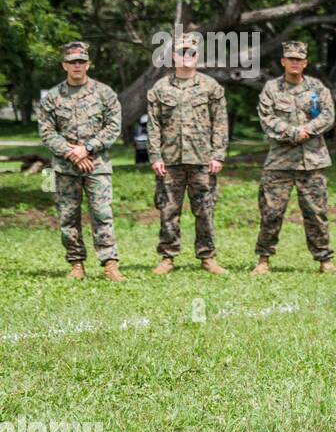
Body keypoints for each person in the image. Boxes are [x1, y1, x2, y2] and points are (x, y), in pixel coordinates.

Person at [36, 41, 125, 282]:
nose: (77, 65)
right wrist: (71, 152)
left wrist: (86, 149)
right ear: (64, 65)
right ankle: (76, 264)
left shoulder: (105, 93)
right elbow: (46, 132)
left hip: (97, 165)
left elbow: (113, 127)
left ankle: (110, 264)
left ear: (88, 64)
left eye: (82, 61)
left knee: (102, 213)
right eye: (73, 62)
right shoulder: (52, 97)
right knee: (67, 216)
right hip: (65, 168)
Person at [146, 31, 229, 275]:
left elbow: (220, 123)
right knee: (168, 210)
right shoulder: (160, 88)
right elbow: (153, 126)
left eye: (191, 52)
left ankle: (207, 256)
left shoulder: (210, 86)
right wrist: (155, 156)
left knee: (205, 209)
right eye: (182, 52)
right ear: (173, 56)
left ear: (197, 55)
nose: (187, 56)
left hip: (202, 160)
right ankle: (168, 257)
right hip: (169, 161)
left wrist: (218, 155)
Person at [252, 41, 336, 274]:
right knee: (271, 212)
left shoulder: (316, 88)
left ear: (305, 63)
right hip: (280, 161)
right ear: (283, 61)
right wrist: (292, 132)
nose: (294, 62)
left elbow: (328, 115)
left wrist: (307, 129)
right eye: (290, 58)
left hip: (313, 160)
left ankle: (324, 259)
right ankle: (263, 259)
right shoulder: (271, 88)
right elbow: (266, 118)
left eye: (299, 59)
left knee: (316, 212)